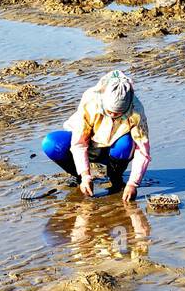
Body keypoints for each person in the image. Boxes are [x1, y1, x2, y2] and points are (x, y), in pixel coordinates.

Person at [42, 70, 151, 202]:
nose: (113, 116)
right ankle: (80, 177)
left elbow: (142, 150)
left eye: (118, 113)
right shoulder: (90, 100)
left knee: (126, 144)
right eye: (109, 112)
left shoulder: (136, 110)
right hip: (90, 145)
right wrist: (85, 175)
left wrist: (133, 183)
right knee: (51, 143)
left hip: (115, 150)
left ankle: (115, 178)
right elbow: (79, 143)